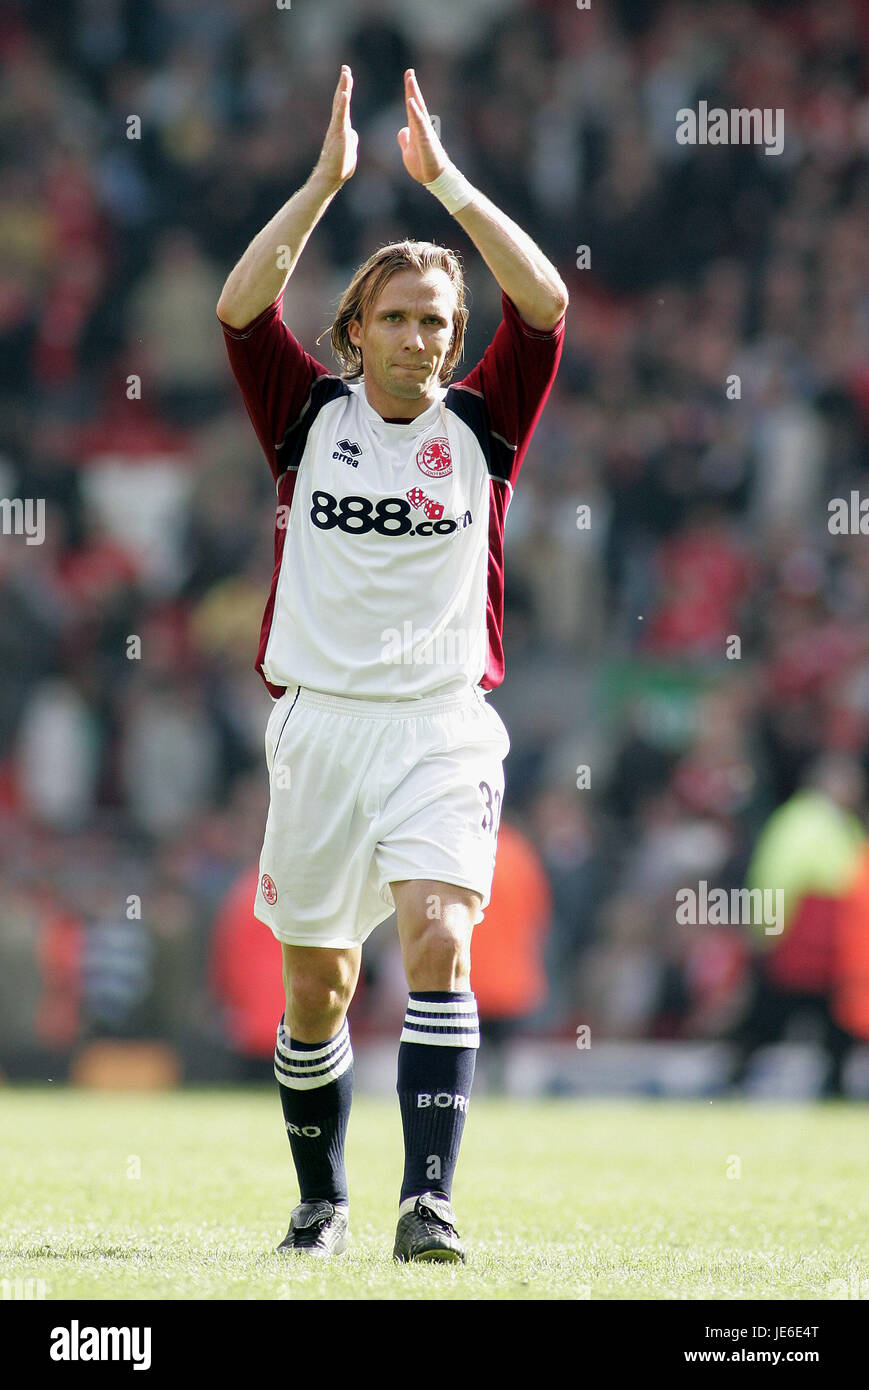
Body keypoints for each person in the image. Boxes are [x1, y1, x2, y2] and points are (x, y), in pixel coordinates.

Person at [216, 65, 566, 1262]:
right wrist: (323, 185)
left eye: (437, 321)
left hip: (439, 722)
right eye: (399, 315)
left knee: (436, 933)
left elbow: (547, 300)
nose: (421, 336)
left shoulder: (482, 426)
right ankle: (321, 1198)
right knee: (315, 989)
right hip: (319, 726)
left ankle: (429, 1202)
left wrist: (449, 186)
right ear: (355, 329)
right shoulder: (304, 417)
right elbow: (237, 306)